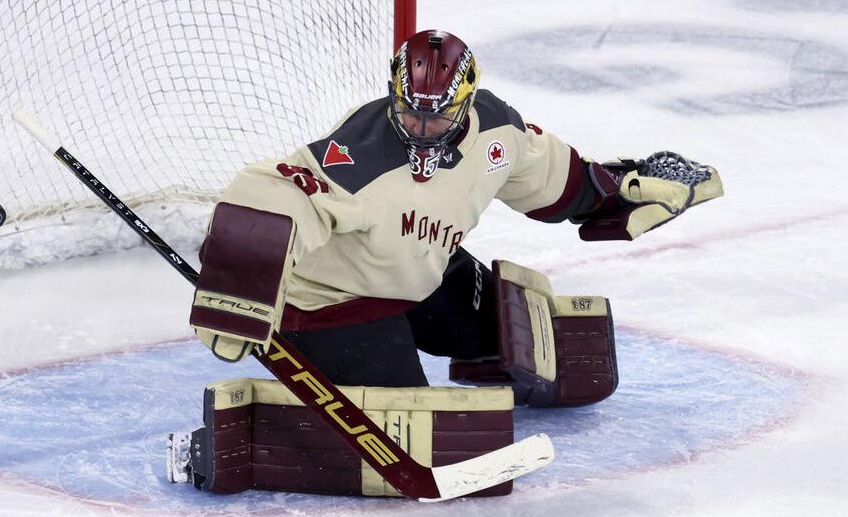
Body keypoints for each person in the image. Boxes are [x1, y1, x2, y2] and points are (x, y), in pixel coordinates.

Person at [177, 29, 722, 496]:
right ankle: (249, 440)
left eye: (437, 119)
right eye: (409, 113)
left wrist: (616, 189)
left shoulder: (497, 132)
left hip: (422, 269)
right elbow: (276, 194)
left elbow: (553, 176)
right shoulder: (359, 153)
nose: (420, 129)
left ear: (466, 103)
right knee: (414, 427)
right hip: (333, 301)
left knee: (518, 339)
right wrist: (239, 279)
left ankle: (466, 353)